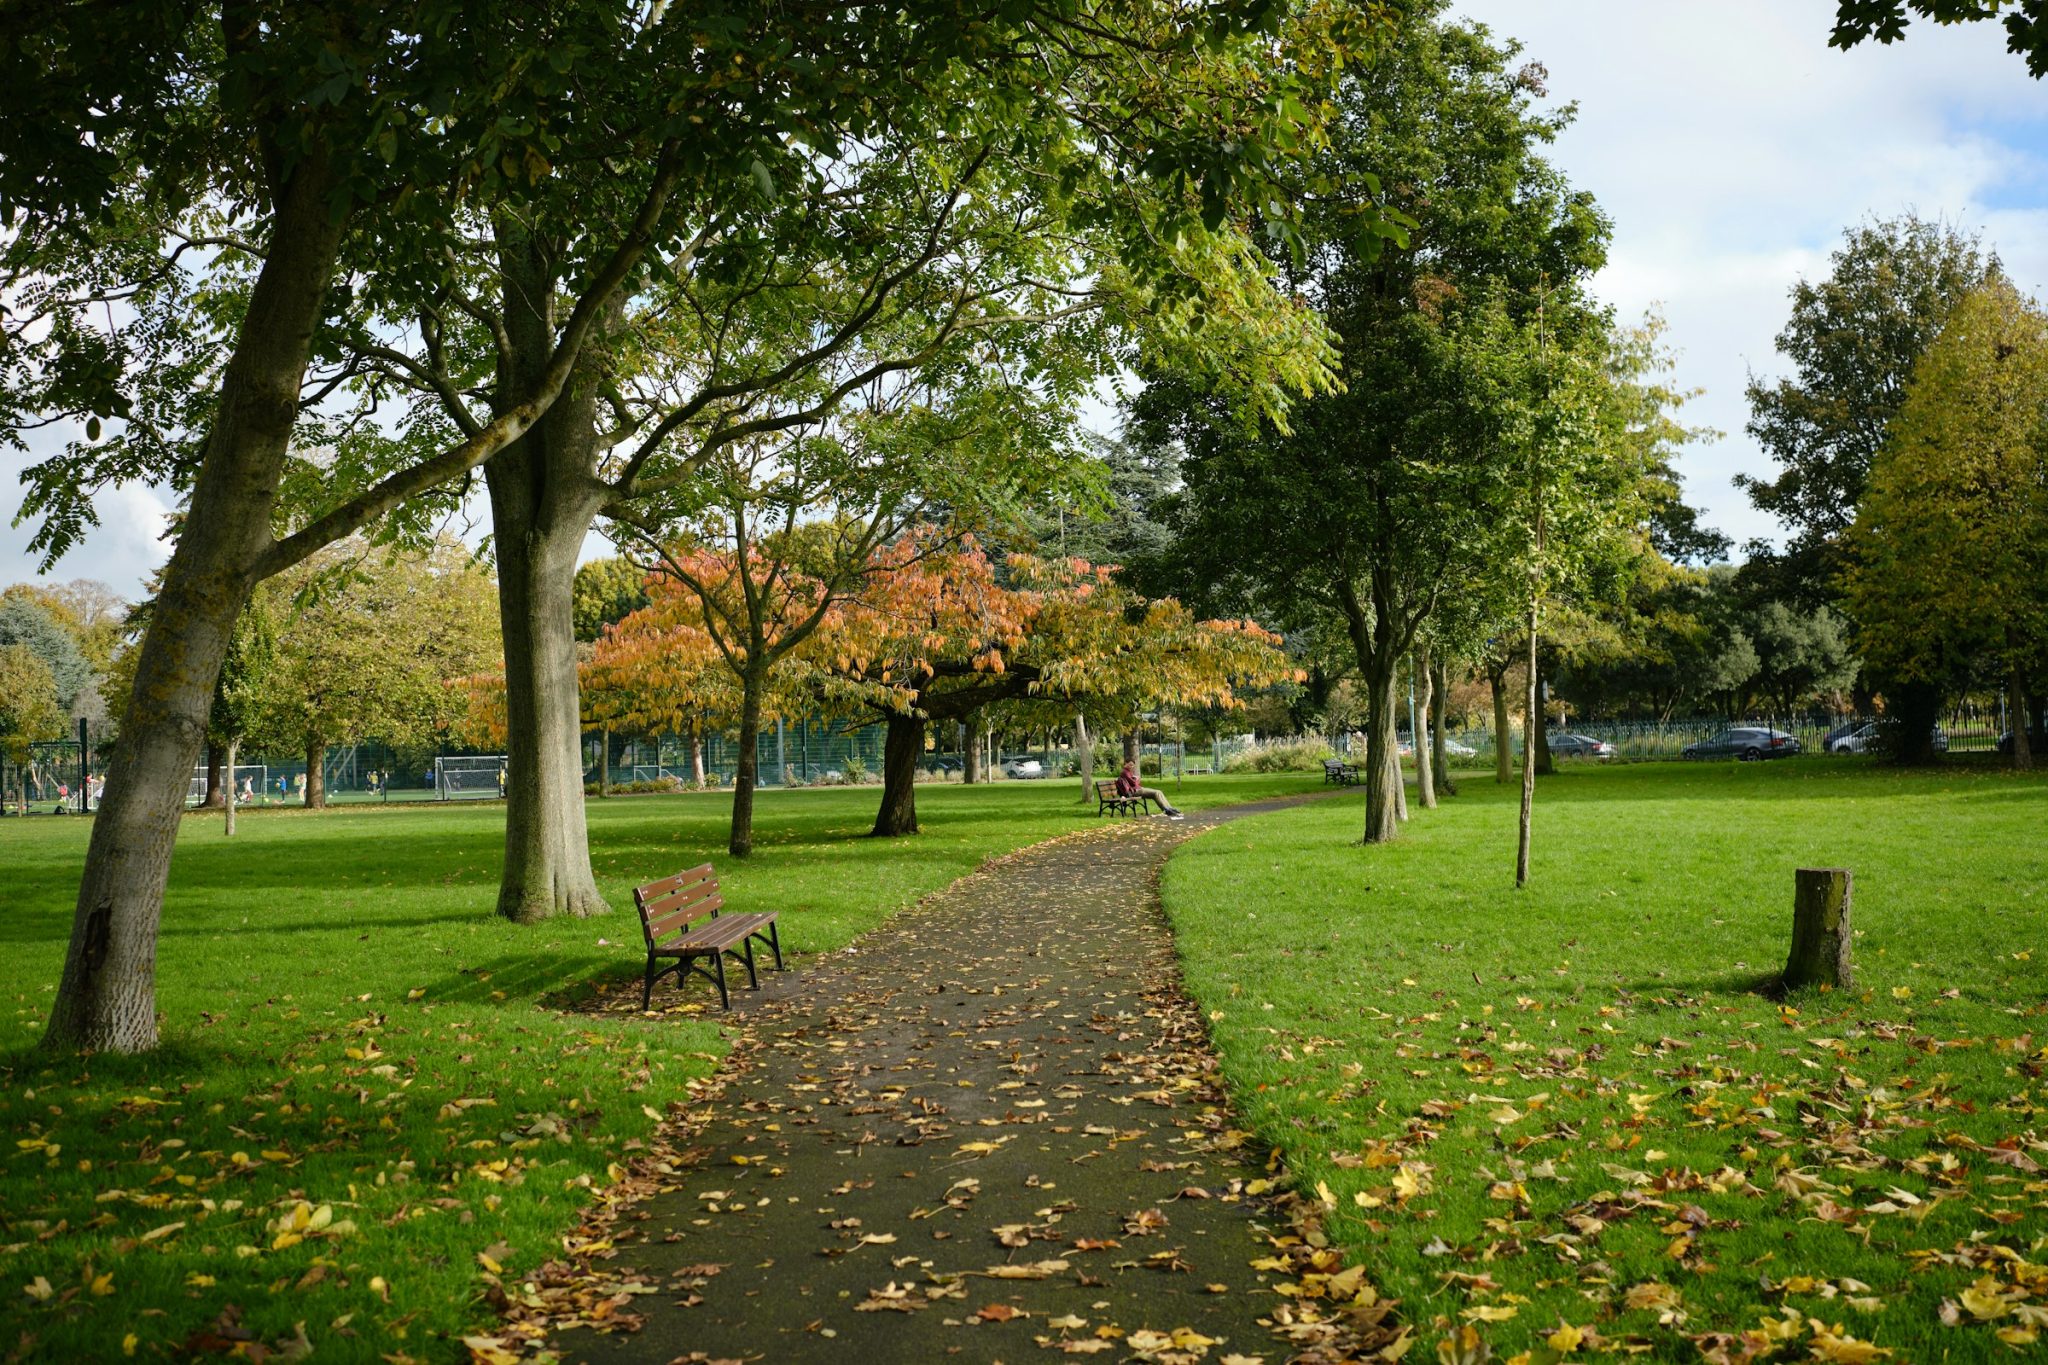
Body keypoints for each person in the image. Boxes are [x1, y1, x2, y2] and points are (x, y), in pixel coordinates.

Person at [1116, 759, 1183, 819]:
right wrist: (1137, 779)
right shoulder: (1125, 772)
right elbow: (1134, 782)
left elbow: (1135, 781)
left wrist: (1136, 779)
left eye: (1133, 765)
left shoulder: (1128, 771)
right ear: (1125, 763)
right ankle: (1166, 810)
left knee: (1159, 791)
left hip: (1138, 789)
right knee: (1156, 793)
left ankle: (1169, 808)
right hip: (1134, 791)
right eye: (1130, 765)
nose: (1131, 766)